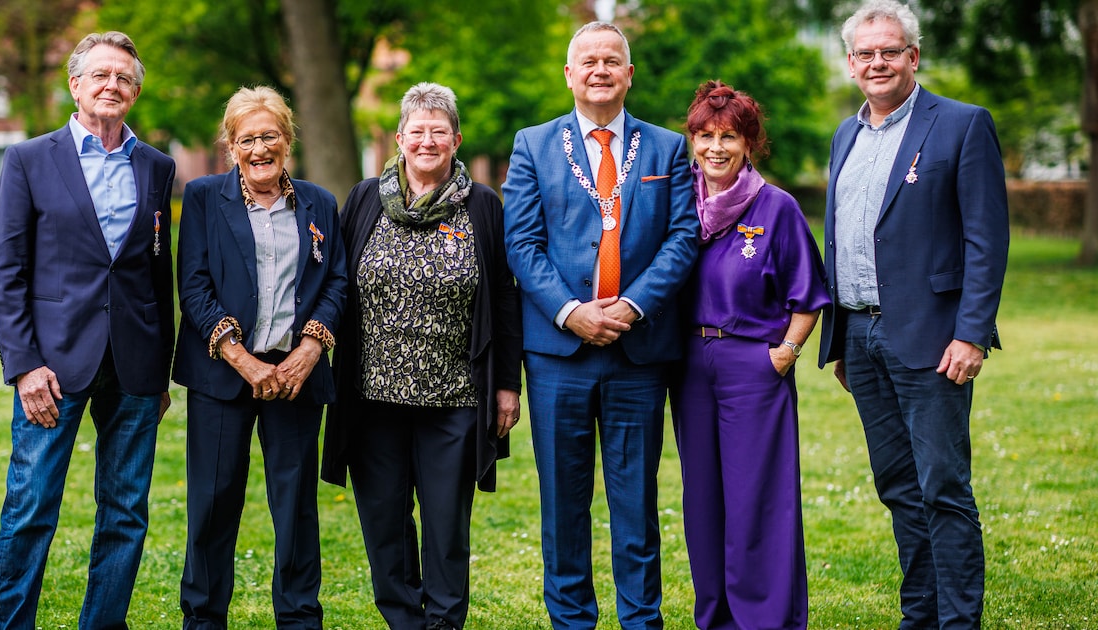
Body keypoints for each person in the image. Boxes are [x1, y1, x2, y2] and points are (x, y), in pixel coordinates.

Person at [817, 1, 1009, 627]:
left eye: (889, 50)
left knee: (944, 491)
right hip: (862, 337)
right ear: (851, 64)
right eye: (865, 53)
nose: (877, 61)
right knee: (898, 488)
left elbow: (987, 239)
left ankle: (957, 622)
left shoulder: (961, 125)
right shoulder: (845, 135)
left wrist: (972, 333)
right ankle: (919, 616)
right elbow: (841, 236)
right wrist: (840, 338)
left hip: (933, 339)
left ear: (912, 57)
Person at [502, 21, 699, 630]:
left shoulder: (666, 148)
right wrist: (572, 312)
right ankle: (572, 622)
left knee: (636, 502)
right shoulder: (533, 145)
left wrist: (632, 306)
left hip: (639, 354)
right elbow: (522, 242)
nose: (600, 70)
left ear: (629, 74)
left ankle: (642, 620)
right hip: (558, 355)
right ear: (569, 74)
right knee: (563, 504)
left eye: (612, 60)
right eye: (587, 61)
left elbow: (683, 236)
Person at [0, 31, 176, 629]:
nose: (111, 85)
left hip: (135, 367)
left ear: (136, 90)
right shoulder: (28, 160)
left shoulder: (157, 167)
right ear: (75, 85)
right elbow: (7, 272)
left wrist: (162, 371)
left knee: (125, 513)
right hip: (52, 367)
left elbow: (155, 273)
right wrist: (22, 366)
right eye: (99, 75)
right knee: (31, 507)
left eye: (123, 77)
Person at [321, 82, 523, 630]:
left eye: (439, 131)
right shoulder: (364, 199)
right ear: (399, 139)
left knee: (446, 528)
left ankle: (443, 623)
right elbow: (337, 283)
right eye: (418, 131)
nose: (427, 141)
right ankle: (404, 621)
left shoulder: (482, 205)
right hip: (372, 399)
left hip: (455, 398)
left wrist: (508, 383)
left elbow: (503, 295)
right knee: (384, 524)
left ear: (456, 140)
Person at [172, 85, 347, 629]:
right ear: (231, 146)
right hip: (223, 376)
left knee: (295, 506)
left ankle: (298, 617)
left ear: (287, 140)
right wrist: (243, 359)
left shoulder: (319, 202)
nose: (259, 148)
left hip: (295, 378)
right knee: (213, 501)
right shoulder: (202, 197)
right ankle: (203, 618)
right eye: (246, 139)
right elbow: (194, 285)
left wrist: (310, 349)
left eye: (269, 135)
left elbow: (336, 279)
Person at [670, 80, 830, 630]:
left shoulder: (776, 207)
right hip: (688, 367)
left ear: (749, 143)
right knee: (704, 501)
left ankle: (764, 619)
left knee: (757, 496)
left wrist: (783, 355)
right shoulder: (677, 202)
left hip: (752, 364)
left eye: (730, 136)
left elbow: (808, 297)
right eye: (706, 135)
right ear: (692, 139)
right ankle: (714, 617)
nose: (716, 147)